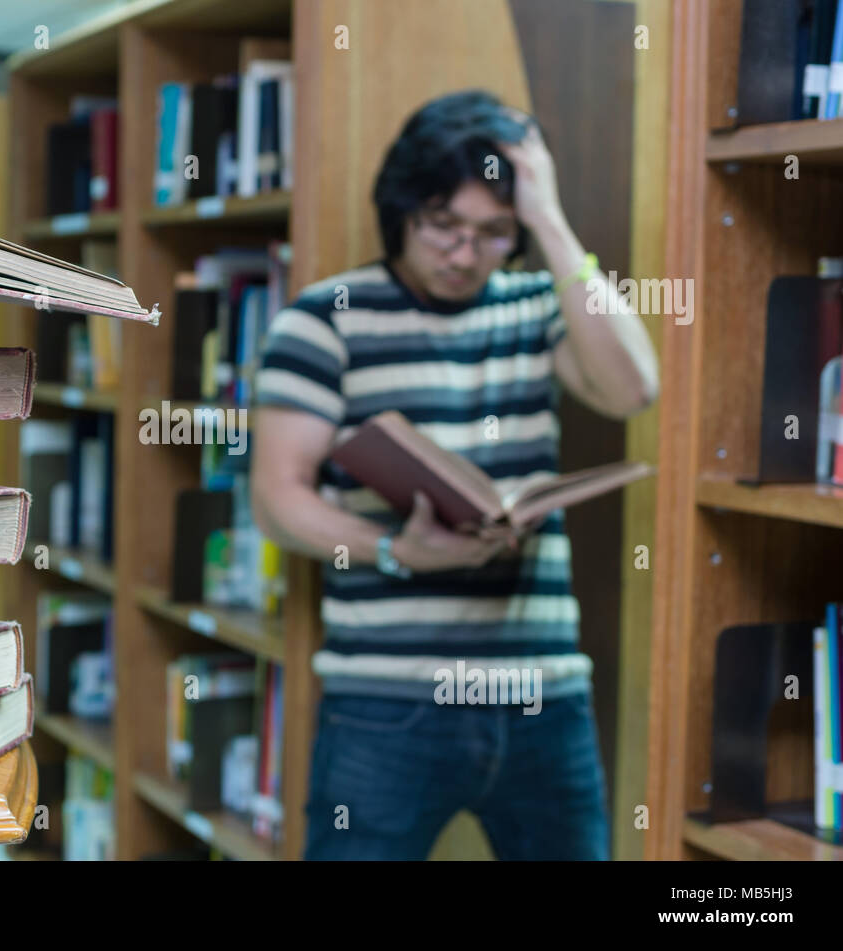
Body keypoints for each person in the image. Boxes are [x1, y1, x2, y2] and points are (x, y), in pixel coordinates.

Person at [249, 89, 658, 860]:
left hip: (542, 691)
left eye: (493, 233)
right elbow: (277, 498)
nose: (464, 253)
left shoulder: (538, 305)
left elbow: (634, 386)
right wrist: (395, 550)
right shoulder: (323, 317)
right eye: (443, 225)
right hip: (386, 704)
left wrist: (551, 223)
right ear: (402, 209)